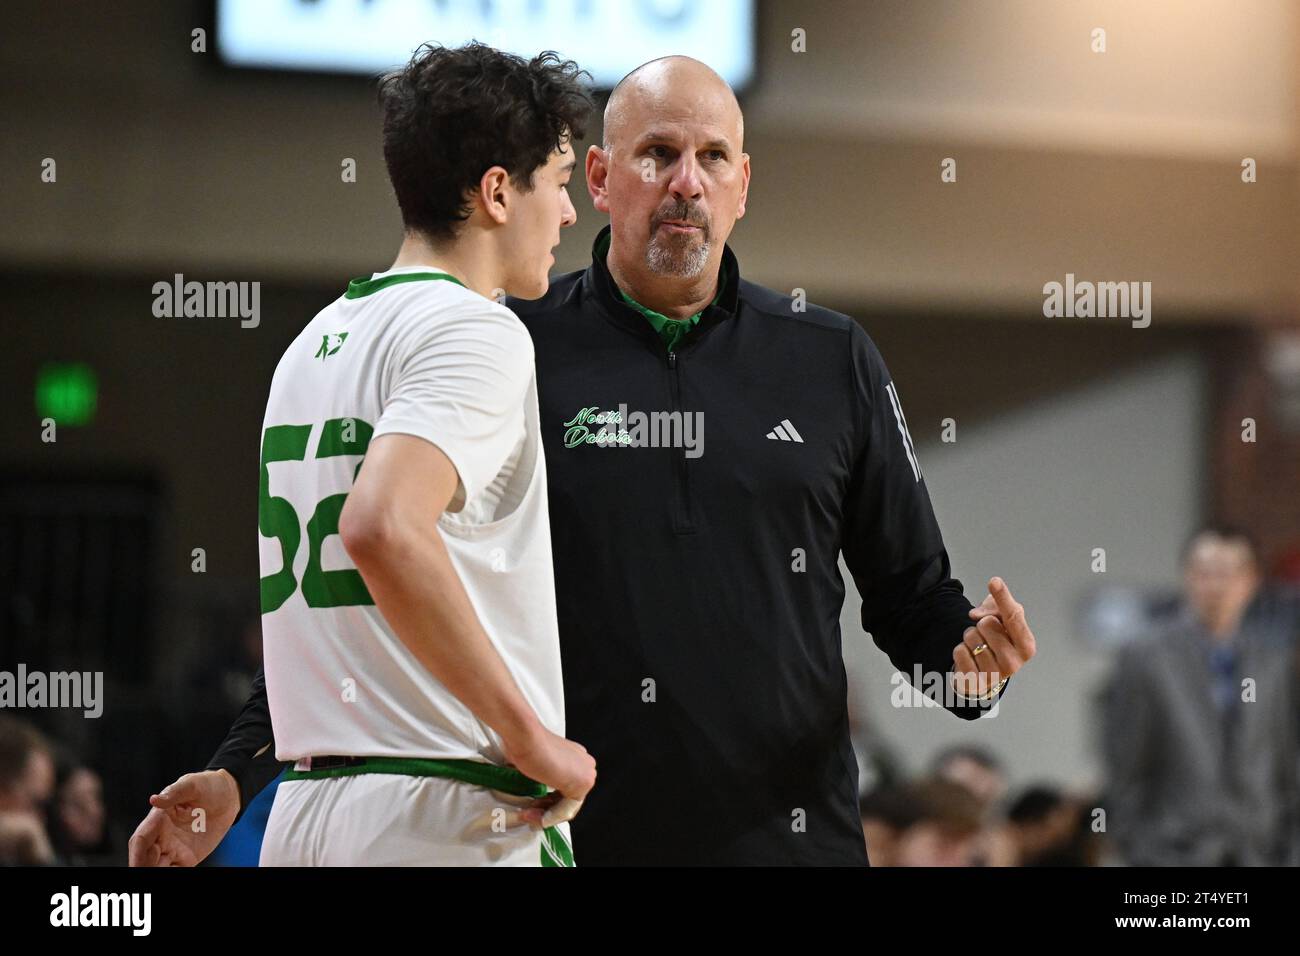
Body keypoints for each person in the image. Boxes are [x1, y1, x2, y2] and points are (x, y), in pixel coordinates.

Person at [134, 55, 1035, 867]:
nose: (686, 182)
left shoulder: (830, 357)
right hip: (559, 833)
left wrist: (970, 670)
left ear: (743, 184)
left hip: (788, 843)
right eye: (657, 154)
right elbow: (367, 585)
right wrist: (241, 763)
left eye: (713, 158)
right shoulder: (503, 342)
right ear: (600, 178)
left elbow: (916, 599)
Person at [130, 42, 595, 867]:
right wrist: (534, 741)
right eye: (558, 183)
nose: (567, 213)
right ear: (496, 192)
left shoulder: (311, 346)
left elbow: (337, 622)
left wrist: (236, 773)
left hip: (304, 814)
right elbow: (380, 528)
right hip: (444, 815)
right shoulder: (477, 331)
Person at [1101, 525, 1300, 866]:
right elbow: (1125, 769)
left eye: (1228, 573)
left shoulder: (1272, 662)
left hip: (1259, 851)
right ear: (1187, 576)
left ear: (1250, 580)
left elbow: (1285, 762)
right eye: (1205, 572)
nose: (1216, 586)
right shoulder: (1145, 658)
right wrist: (1139, 848)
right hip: (1174, 852)